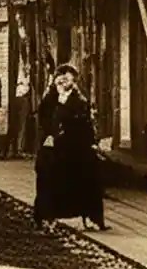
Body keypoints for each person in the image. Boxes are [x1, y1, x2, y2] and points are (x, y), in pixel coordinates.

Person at [33, 63, 108, 232]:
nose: (62, 83)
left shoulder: (80, 101)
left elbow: (85, 125)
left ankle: (91, 217)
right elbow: (43, 121)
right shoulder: (49, 100)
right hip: (53, 150)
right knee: (48, 182)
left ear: (73, 82)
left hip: (74, 150)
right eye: (59, 79)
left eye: (66, 80)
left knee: (84, 180)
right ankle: (46, 217)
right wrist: (50, 134)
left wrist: (92, 143)